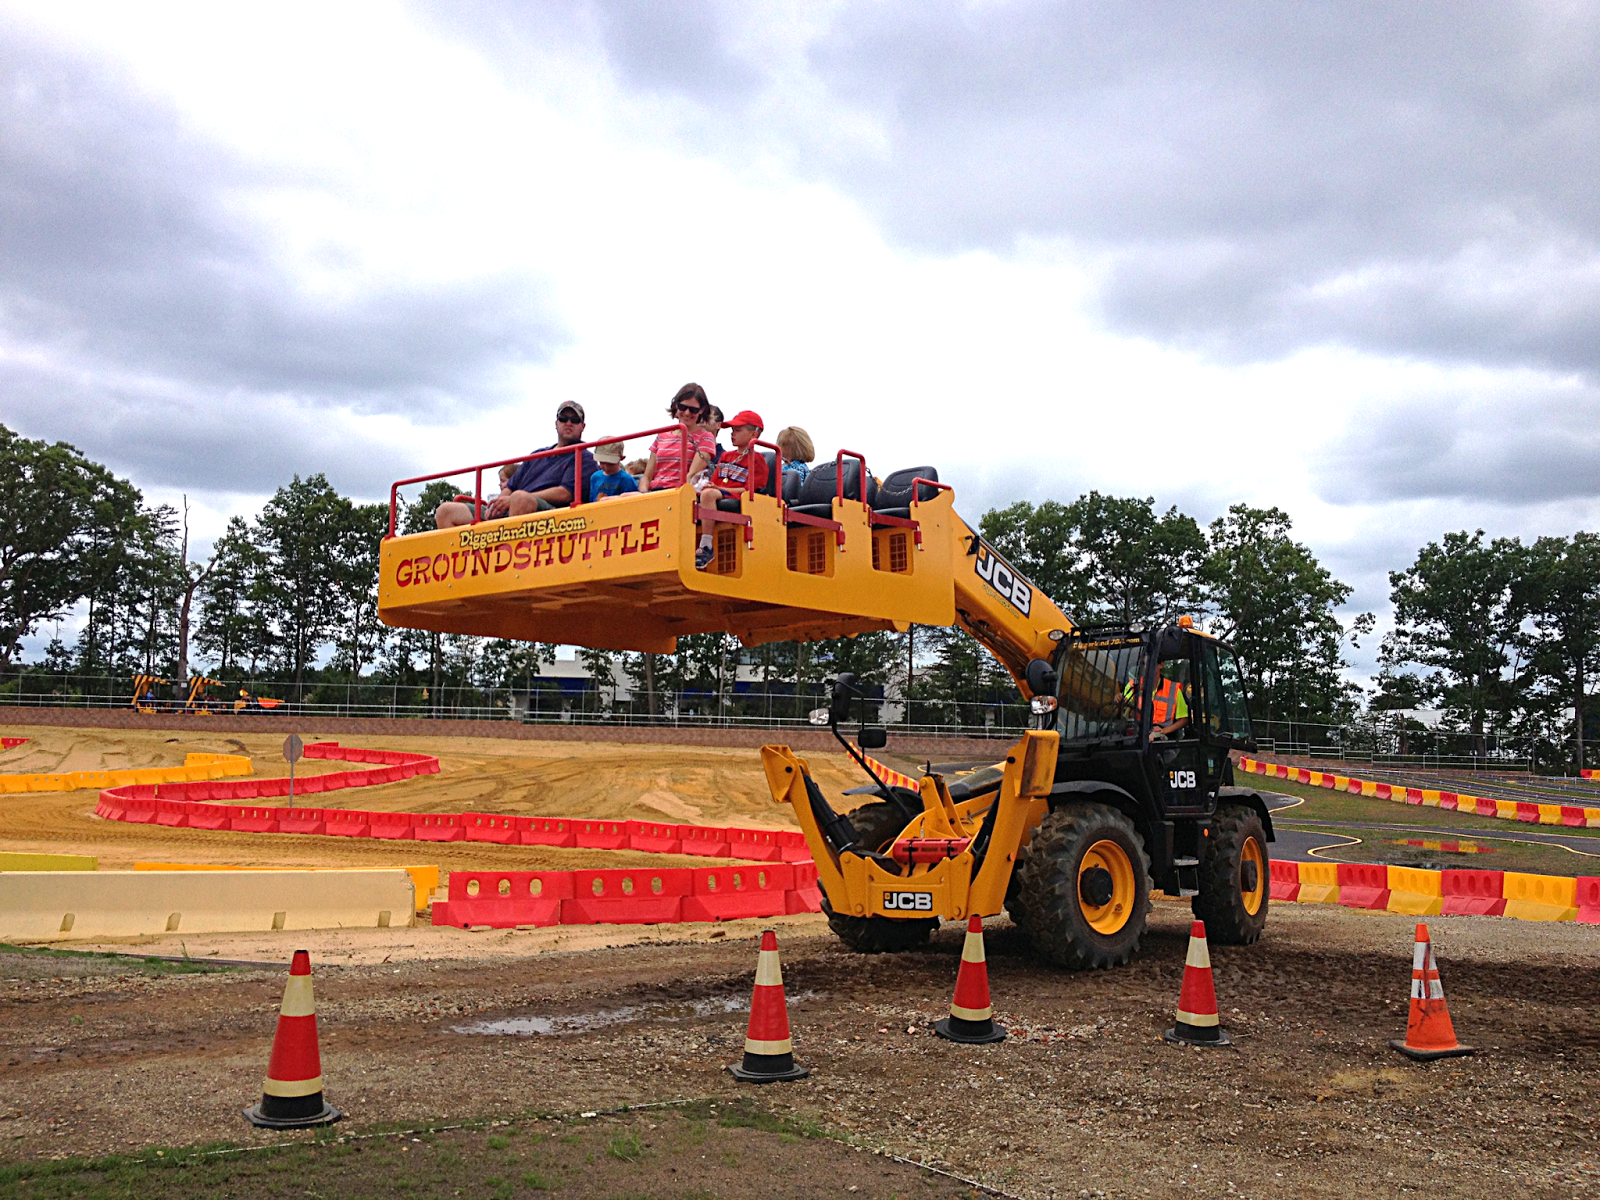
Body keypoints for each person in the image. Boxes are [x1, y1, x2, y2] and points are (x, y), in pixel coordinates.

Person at [435, 402, 597, 528]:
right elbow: (510, 486)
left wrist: (514, 499)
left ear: (582, 427)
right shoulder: (537, 455)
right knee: (446, 511)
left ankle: (511, 561)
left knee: (521, 498)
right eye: (563, 419)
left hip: (550, 518)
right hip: (512, 509)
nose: (568, 423)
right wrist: (499, 503)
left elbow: (565, 494)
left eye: (574, 420)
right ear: (556, 423)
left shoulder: (583, 456)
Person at [695, 409, 768, 569]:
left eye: (738, 430)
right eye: (732, 430)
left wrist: (717, 489)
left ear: (753, 435)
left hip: (737, 496)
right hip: (719, 493)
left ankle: (706, 545)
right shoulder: (726, 456)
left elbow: (751, 491)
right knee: (690, 495)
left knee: (708, 495)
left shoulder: (758, 460)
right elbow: (713, 483)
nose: (732, 433)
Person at [641, 383, 715, 491]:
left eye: (693, 409)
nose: (687, 413)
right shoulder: (662, 435)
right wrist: (643, 495)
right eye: (682, 407)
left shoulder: (705, 438)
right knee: (610, 500)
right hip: (654, 493)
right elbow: (647, 477)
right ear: (676, 405)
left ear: (701, 410)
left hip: (677, 494)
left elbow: (691, 477)